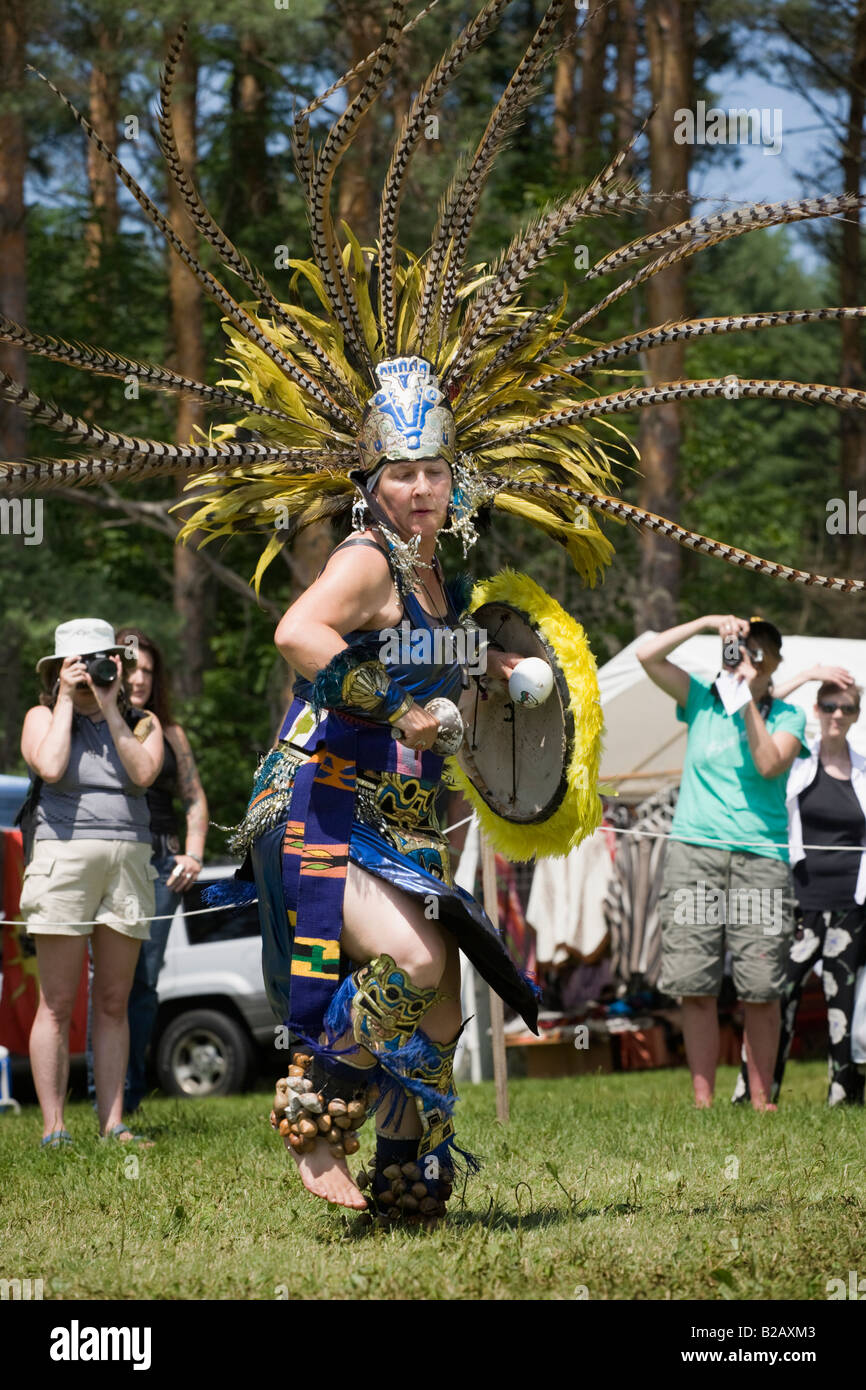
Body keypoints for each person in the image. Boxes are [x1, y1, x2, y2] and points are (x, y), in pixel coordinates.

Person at [221, 361, 537, 1225]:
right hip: (318, 802)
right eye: (402, 472)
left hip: (394, 819)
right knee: (417, 960)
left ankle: (404, 1178)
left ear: (456, 476)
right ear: (373, 483)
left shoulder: (438, 582)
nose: (422, 487)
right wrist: (399, 711)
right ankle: (312, 1108)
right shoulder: (367, 561)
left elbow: (440, 653)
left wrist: (500, 667)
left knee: (440, 1007)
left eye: (435, 470)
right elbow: (298, 633)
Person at [637, 614, 808, 1110]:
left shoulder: (789, 716)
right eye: (743, 647)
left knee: (760, 987)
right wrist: (707, 622)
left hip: (760, 860)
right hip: (695, 855)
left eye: (762, 651)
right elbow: (647, 655)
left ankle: (761, 1100)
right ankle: (703, 1101)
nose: (751, 656)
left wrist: (746, 698)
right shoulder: (699, 701)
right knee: (695, 981)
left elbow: (769, 763)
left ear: (775, 663)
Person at [19, 619, 163, 1146]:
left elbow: (144, 774)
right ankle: (54, 1127)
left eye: (99, 661)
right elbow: (51, 766)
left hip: (127, 861)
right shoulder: (39, 716)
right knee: (56, 1001)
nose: (86, 674)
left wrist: (109, 705)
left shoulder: (143, 721)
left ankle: (112, 1123)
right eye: (75, 665)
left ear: (116, 665)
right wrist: (64, 700)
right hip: (63, 859)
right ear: (56, 671)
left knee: (112, 1000)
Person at [733, 679, 866, 1106]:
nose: (837, 715)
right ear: (817, 709)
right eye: (829, 705)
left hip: (852, 905)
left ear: (856, 715)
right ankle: (753, 1091)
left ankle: (843, 1095)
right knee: (775, 996)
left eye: (846, 707)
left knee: (842, 1004)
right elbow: (760, 708)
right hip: (799, 905)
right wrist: (811, 672)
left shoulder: (865, 768)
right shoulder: (797, 760)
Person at [98, 628, 208, 1114]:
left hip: (160, 864)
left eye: (149, 670)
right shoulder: (95, 724)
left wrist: (194, 854)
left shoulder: (171, 732)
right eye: (132, 667)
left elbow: (195, 799)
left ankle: (130, 1096)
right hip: (107, 859)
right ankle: (102, 1097)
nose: (140, 678)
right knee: (106, 984)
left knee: (142, 984)